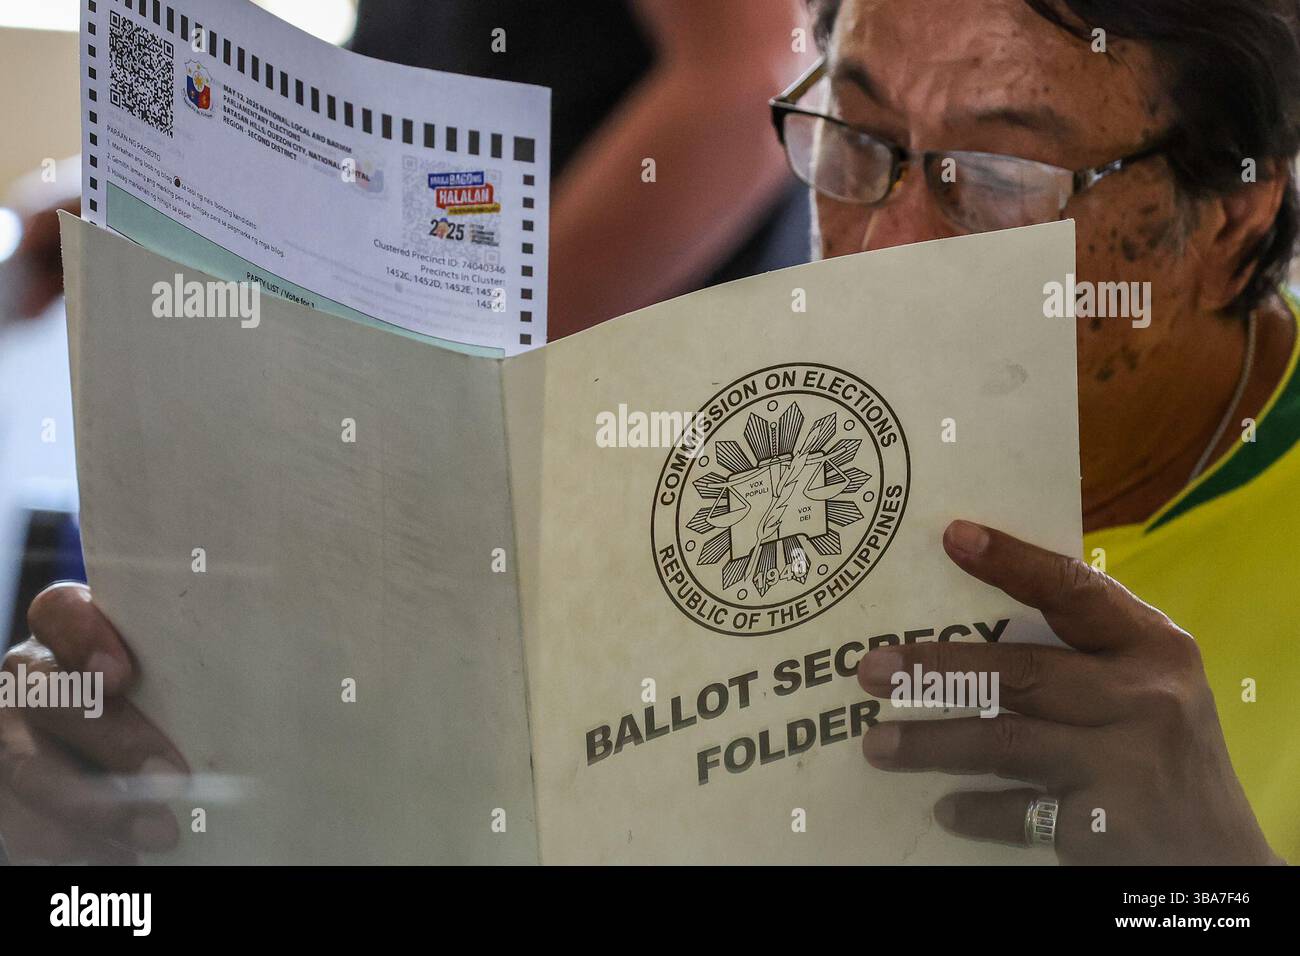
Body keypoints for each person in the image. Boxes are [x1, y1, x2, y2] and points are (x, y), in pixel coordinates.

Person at [3, 0, 1298, 864]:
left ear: (1237, 217)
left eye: (1004, 181)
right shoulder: (680, 444)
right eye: (858, 141)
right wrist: (114, 834)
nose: (887, 248)